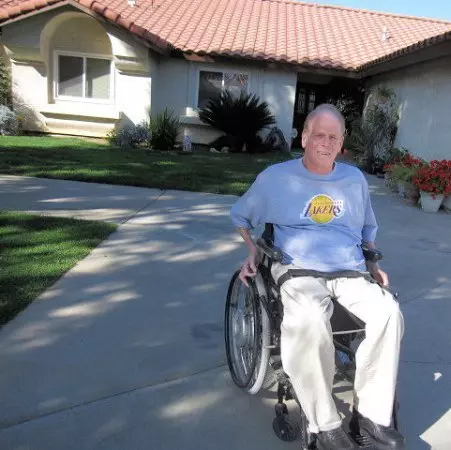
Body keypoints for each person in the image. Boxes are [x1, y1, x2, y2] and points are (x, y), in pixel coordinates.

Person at [230, 104, 405, 450]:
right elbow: (240, 217)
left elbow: (367, 228)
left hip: (349, 269)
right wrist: (252, 252)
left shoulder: (354, 180)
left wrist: (371, 262)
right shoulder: (275, 177)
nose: (326, 143)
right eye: (319, 135)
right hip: (297, 269)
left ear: (342, 144)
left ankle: (370, 417)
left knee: (389, 314)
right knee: (309, 319)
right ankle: (323, 424)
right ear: (304, 137)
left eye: (334, 137)